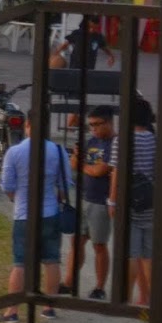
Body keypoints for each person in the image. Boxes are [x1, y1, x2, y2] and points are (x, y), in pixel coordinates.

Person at [0, 132, 71, 323]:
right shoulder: (58, 150)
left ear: (27, 124)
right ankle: (49, 307)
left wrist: (14, 198)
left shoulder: (14, 151)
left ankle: (12, 310)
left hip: (24, 213)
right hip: (50, 211)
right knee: (51, 259)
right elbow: (65, 185)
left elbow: (7, 185)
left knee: (20, 262)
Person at [60, 105, 116, 300]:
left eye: (96, 125)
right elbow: (74, 165)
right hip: (84, 198)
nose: (93, 129)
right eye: (90, 125)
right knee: (76, 241)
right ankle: (68, 282)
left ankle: (100, 287)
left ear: (109, 122)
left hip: (101, 201)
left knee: (99, 244)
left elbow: (101, 171)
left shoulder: (114, 144)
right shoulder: (91, 142)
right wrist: (77, 157)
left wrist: (83, 165)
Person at [109, 96, 158, 306]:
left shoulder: (122, 140)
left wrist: (112, 200)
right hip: (151, 199)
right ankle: (150, 298)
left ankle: (125, 296)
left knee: (130, 253)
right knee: (149, 254)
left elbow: (117, 172)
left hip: (129, 201)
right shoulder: (154, 138)